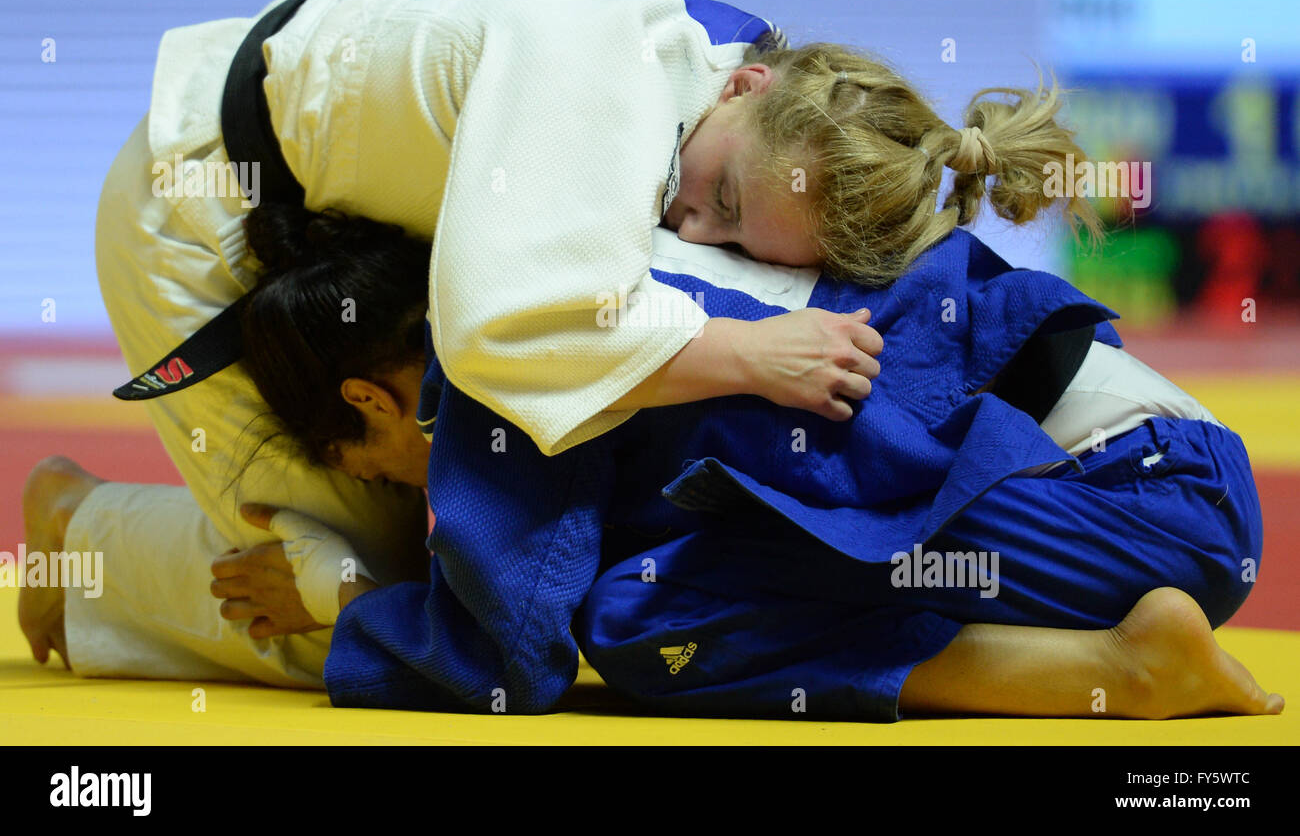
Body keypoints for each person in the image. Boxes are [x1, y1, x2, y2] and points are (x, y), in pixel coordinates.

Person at [21, 0, 887, 684]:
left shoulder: (753, 94)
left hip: (324, 183)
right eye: (722, 203)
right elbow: (494, 336)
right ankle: (85, 524)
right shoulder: (600, 97)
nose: (700, 230)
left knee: (444, 554)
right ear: (744, 87)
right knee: (377, 600)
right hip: (195, 206)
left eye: (742, 237)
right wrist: (745, 351)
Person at [198, 205, 1279, 721]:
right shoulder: (572, 247)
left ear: (370, 396)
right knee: (700, 553)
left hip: (1138, 509)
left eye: (378, 465)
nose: (406, 490)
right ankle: (1121, 649)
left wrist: (342, 598)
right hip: (1160, 479)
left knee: (634, 617)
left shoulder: (485, 364)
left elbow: (517, 649)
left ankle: (1117, 670)